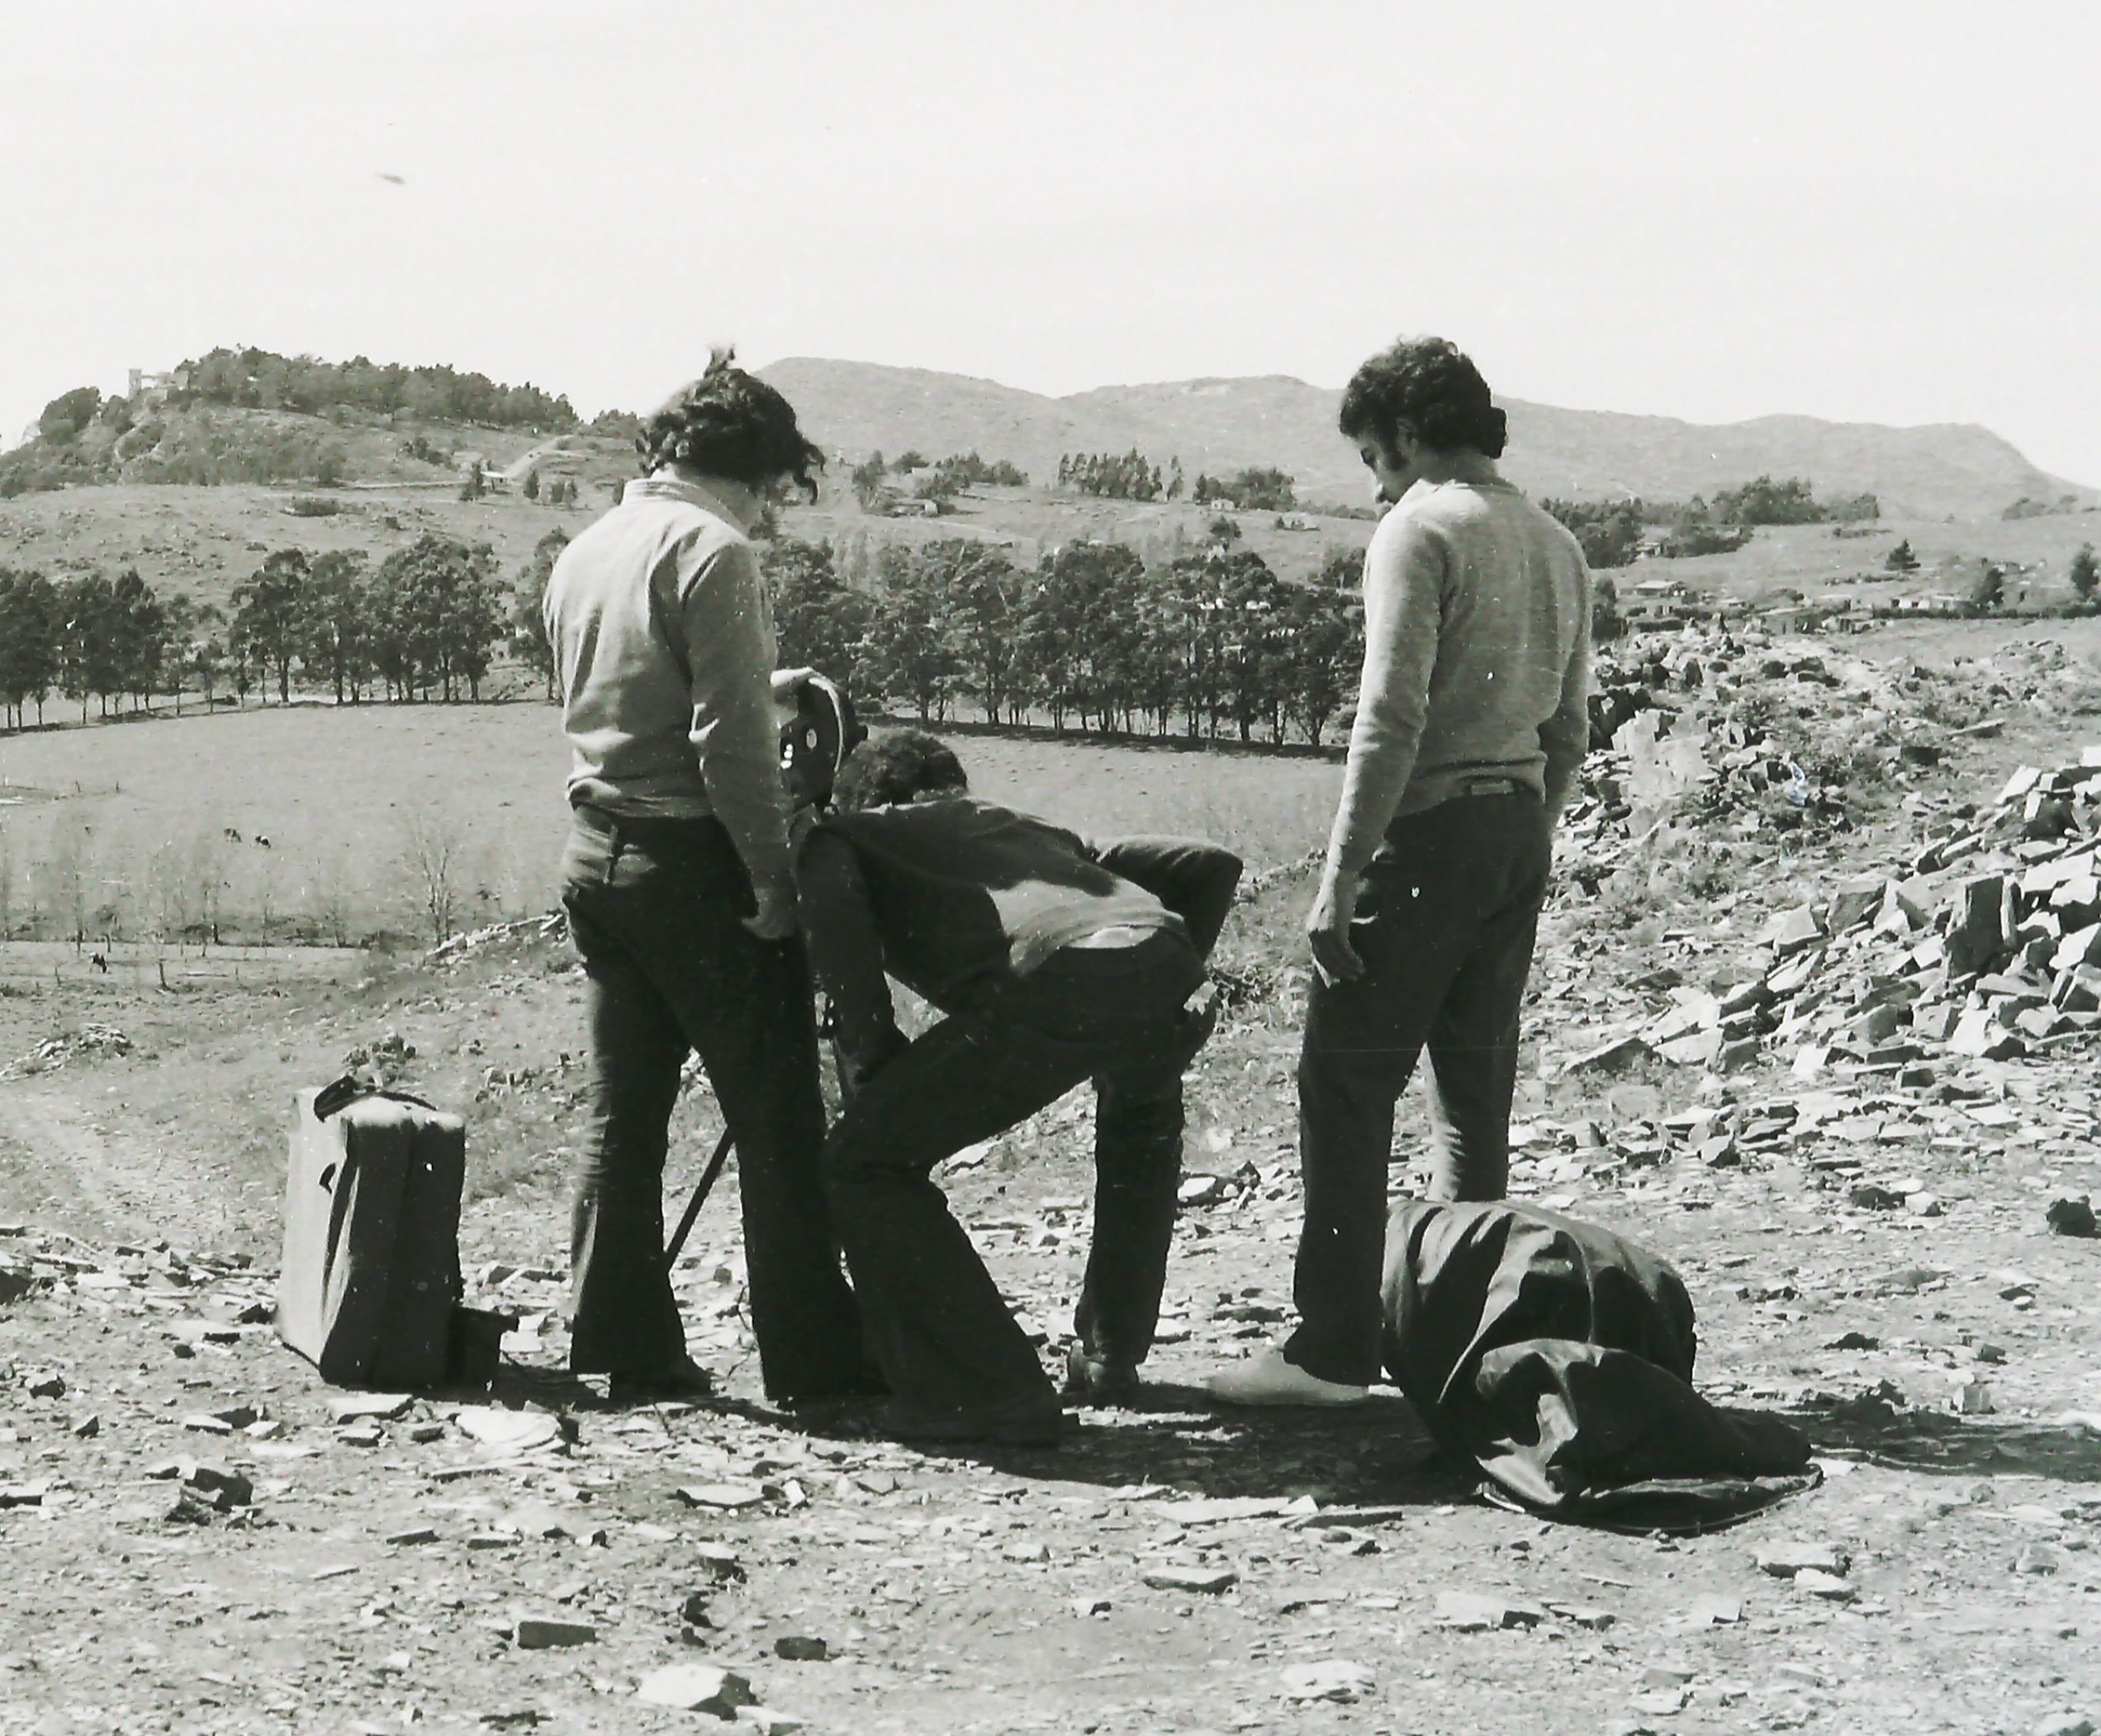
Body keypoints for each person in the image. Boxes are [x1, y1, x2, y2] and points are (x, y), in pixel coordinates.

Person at [1205, 336, 1593, 1408]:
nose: (1376, 480)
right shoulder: (1556, 543)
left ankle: (1332, 1351)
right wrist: (1525, 838)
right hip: (1516, 827)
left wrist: (1339, 881)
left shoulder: (1418, 527)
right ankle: (1460, 1337)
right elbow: (1568, 731)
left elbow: (1389, 718)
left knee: (1346, 1086)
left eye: (1377, 456)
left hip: (1425, 838)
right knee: (1471, 1103)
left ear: (1413, 436)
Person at [543, 349, 879, 1406]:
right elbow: (731, 742)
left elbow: (631, 691)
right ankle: (815, 1364)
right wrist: (773, 880)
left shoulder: (588, 547)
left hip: (597, 848)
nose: (775, 508)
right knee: (777, 1113)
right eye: (778, 485)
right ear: (759, 468)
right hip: (692, 858)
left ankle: (620, 1345)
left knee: (622, 1113)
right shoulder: (714, 548)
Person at [799, 728, 1240, 1444]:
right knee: (1138, 1125)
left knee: (863, 1164)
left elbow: (838, 930)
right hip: (1166, 974)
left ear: (869, 800)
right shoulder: (1026, 828)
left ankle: (988, 1394)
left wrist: (874, 1053)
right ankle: (1109, 1357)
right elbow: (1207, 865)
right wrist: (1152, 984)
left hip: (1061, 982)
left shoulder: (849, 833)